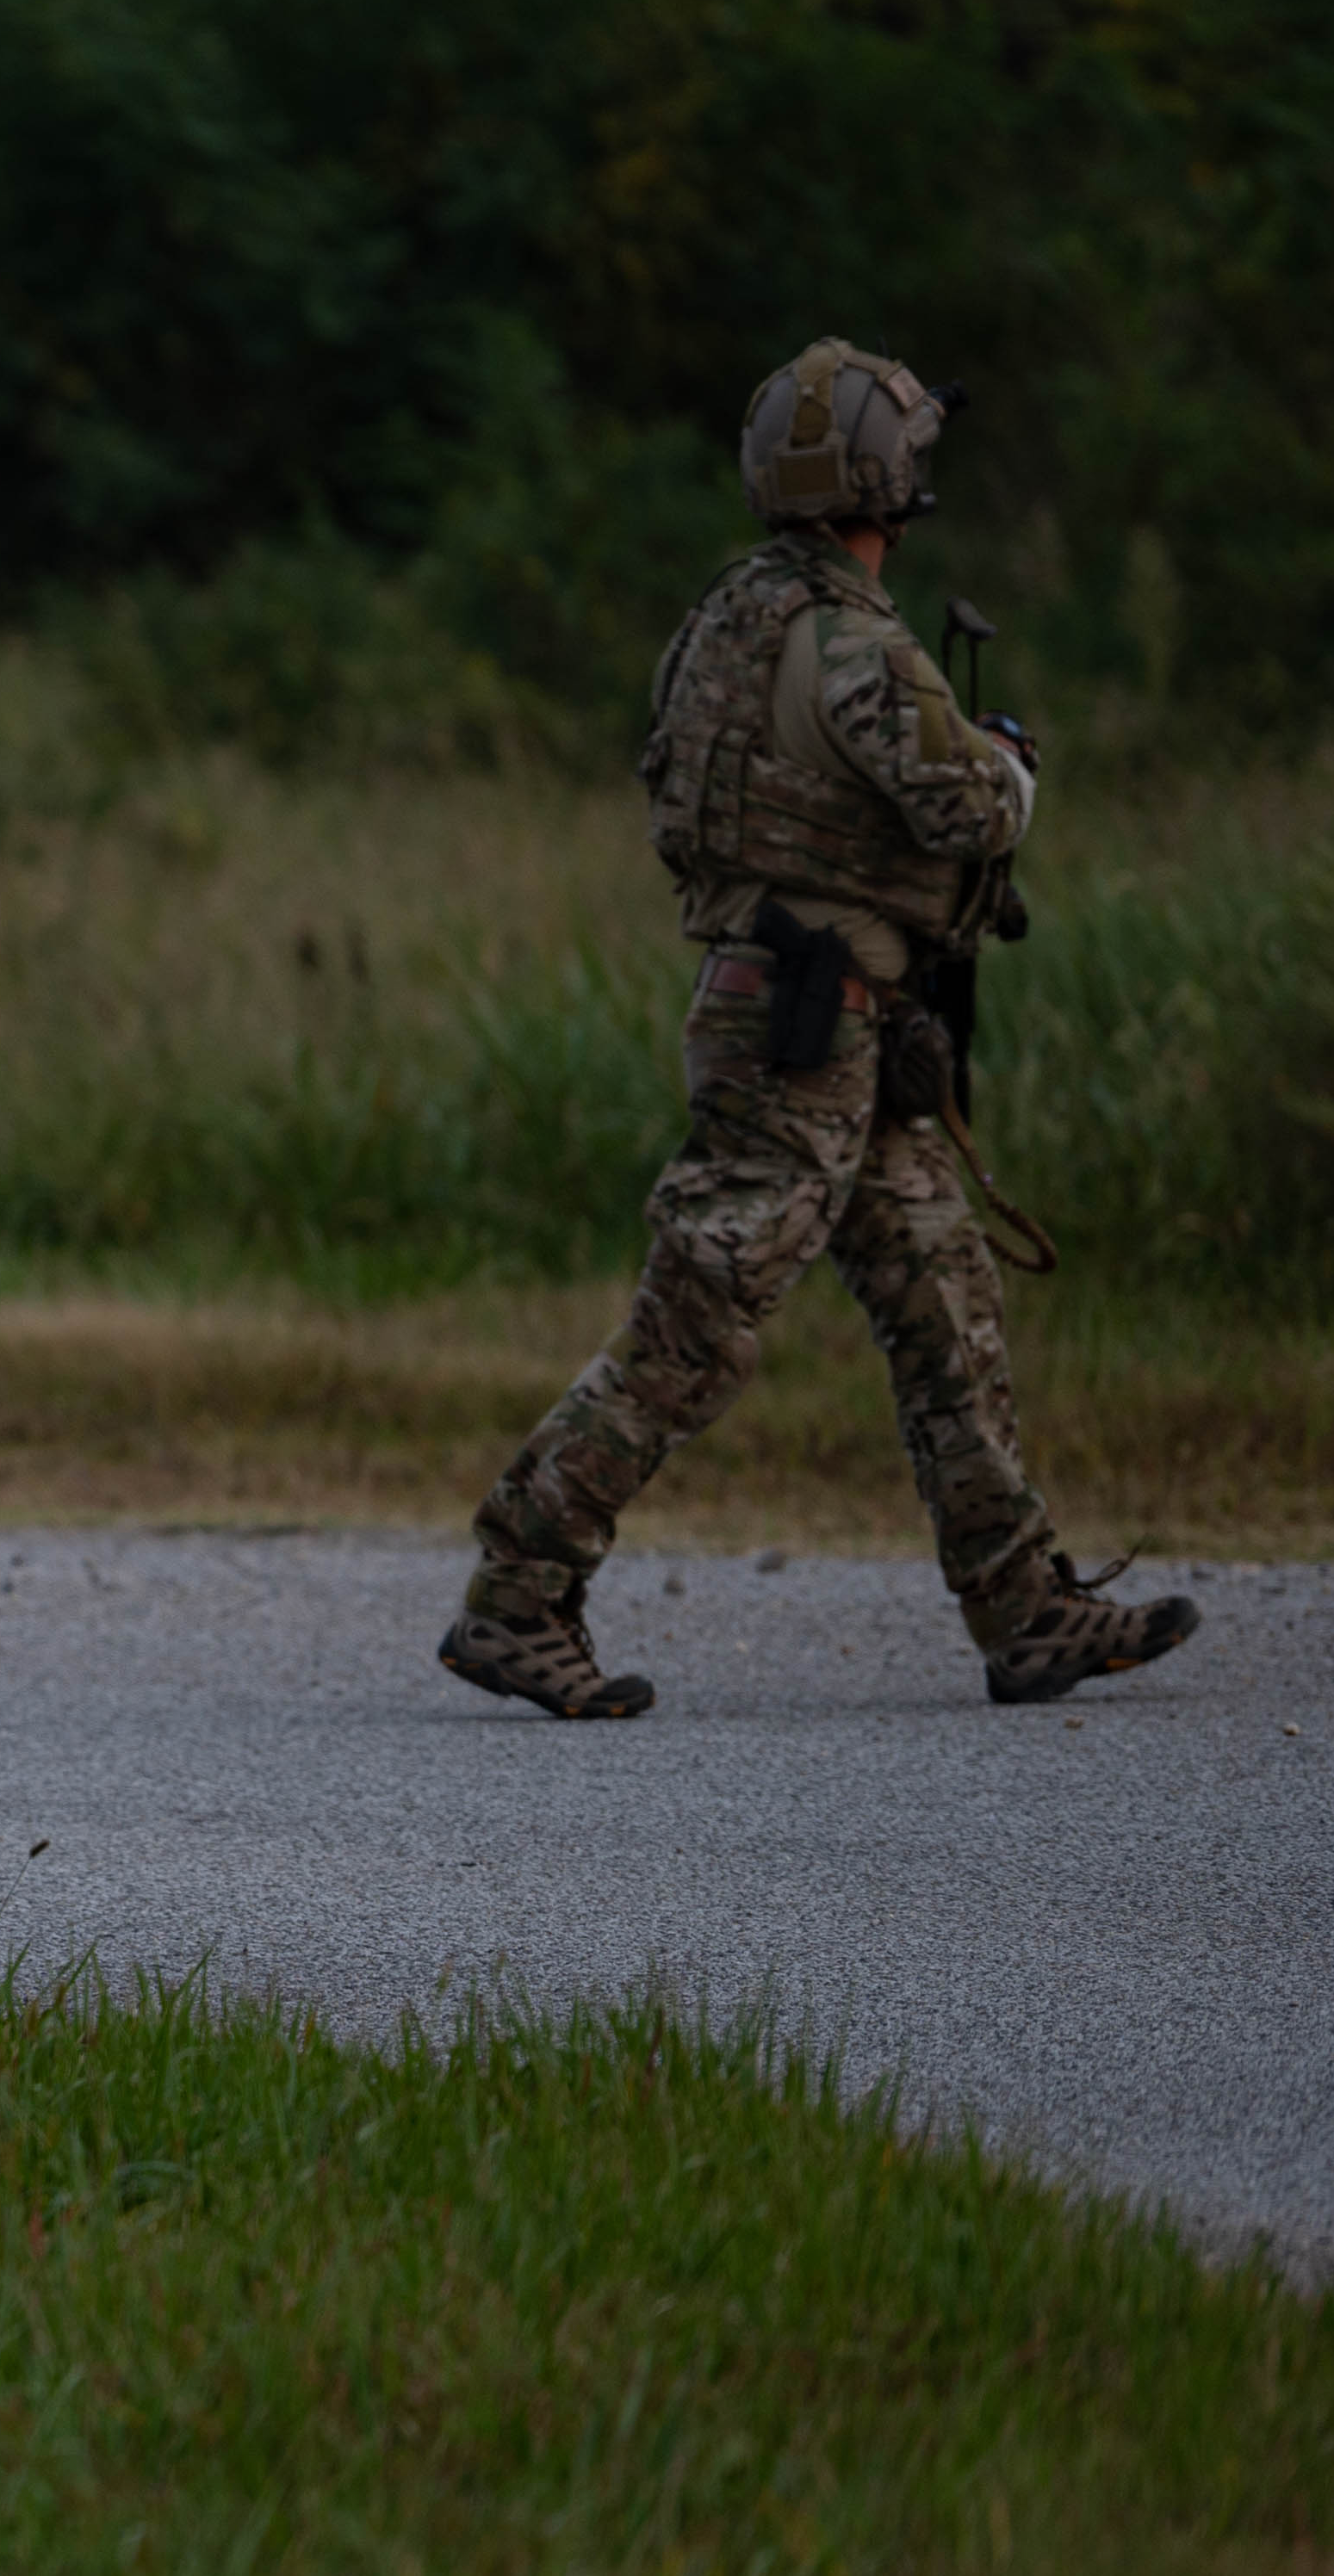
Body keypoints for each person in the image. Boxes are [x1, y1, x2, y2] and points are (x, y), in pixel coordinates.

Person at [444, 339, 1199, 1717]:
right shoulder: (852, 637)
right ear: (885, 479)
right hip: (806, 1022)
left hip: (813, 1009)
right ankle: (516, 1586)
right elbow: (966, 807)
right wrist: (1011, 765)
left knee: (943, 1299)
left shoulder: (730, 614)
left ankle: (1024, 1603)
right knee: (700, 1316)